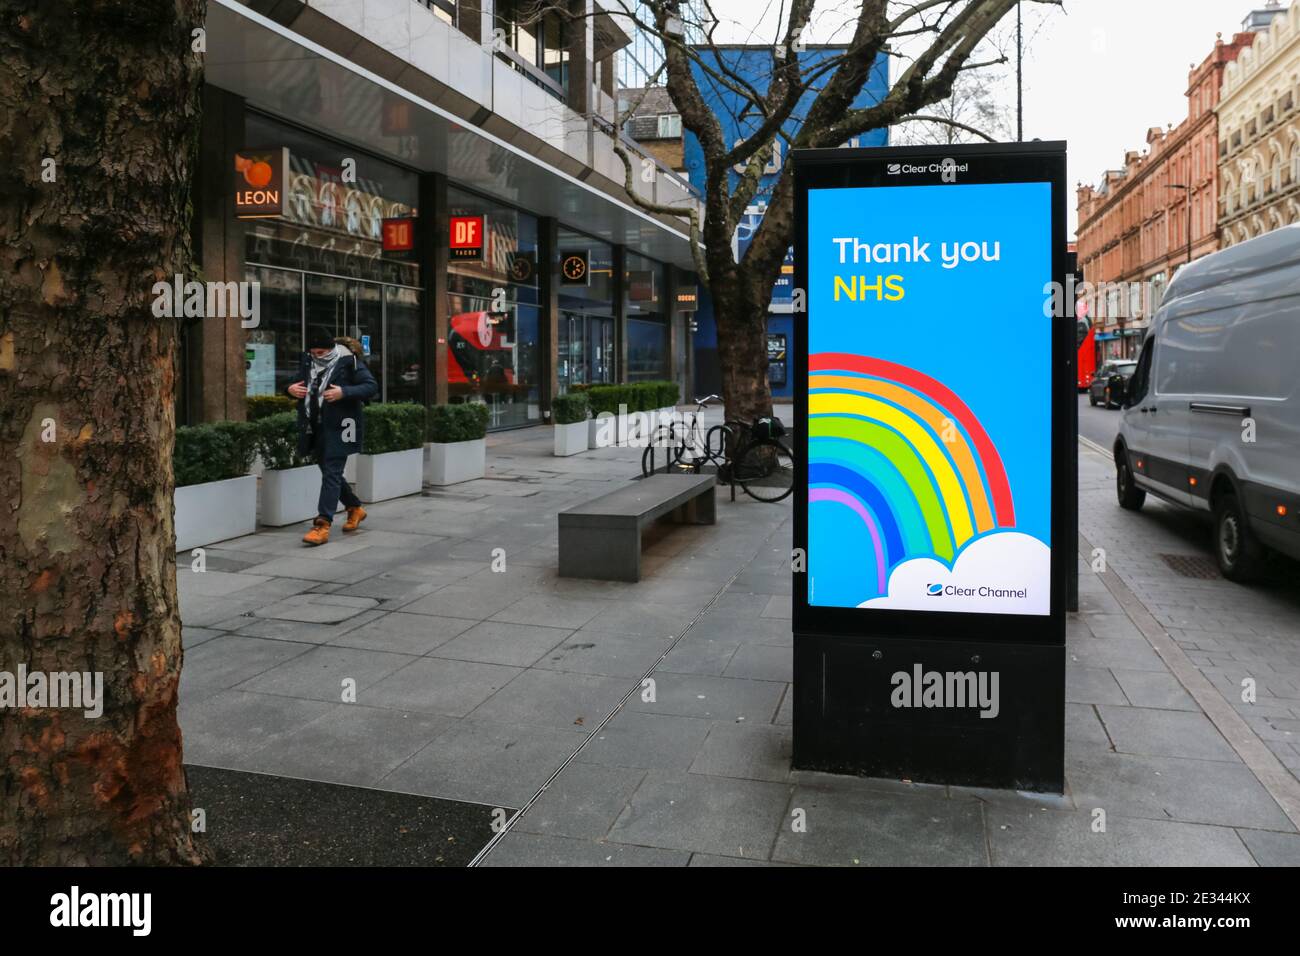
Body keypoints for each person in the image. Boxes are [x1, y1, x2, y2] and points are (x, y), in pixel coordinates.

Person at [286, 333, 378, 546]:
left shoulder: (349, 361)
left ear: (331, 349)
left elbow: (371, 386)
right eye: (313, 352)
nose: (317, 356)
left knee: (332, 471)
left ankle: (322, 524)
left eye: (321, 352)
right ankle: (355, 508)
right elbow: (293, 382)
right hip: (314, 425)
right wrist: (289, 390)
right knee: (329, 471)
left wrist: (344, 392)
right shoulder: (308, 361)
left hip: (342, 425)